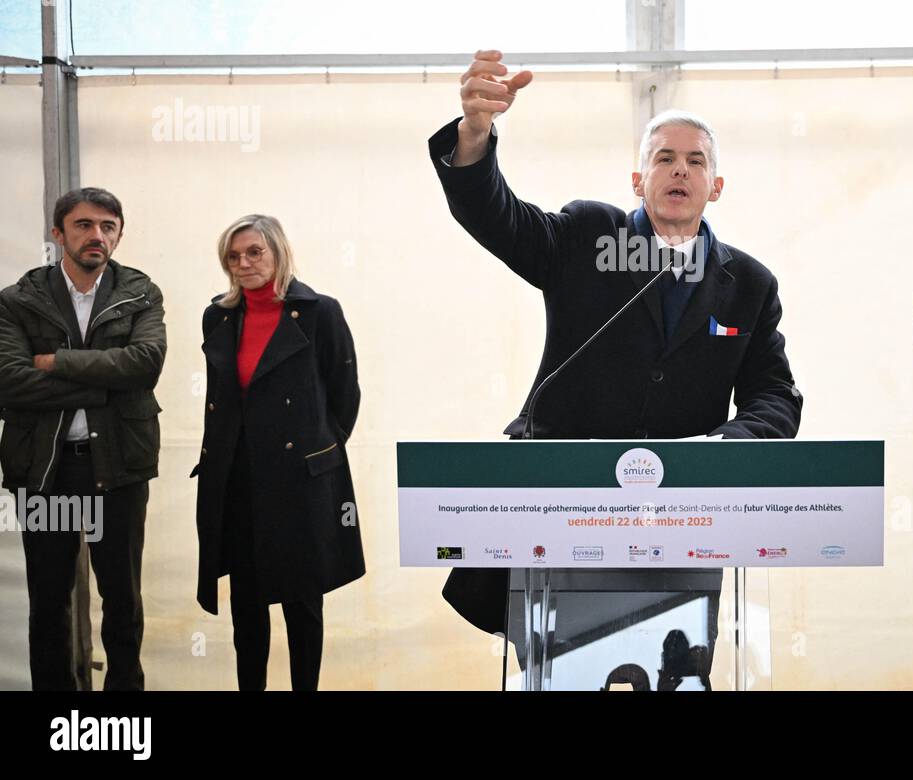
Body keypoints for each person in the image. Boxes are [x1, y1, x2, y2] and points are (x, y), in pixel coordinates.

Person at [429, 49, 802, 640]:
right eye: (664, 158)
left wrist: (728, 445)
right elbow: (499, 219)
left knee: (671, 668)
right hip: (563, 510)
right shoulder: (586, 235)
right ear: (638, 179)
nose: (680, 170)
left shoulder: (749, 284)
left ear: (716, 185)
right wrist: (475, 136)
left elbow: (774, 394)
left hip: (682, 519)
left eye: (695, 161)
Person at [0, 187, 166, 690]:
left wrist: (58, 363)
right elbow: (8, 378)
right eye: (84, 225)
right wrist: (102, 387)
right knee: (49, 601)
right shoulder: (18, 299)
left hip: (117, 466)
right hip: (45, 471)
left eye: (108, 226)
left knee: (122, 599)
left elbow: (144, 364)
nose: (97, 235)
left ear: (118, 233)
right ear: (58, 233)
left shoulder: (140, 292)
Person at [193, 214, 364, 691]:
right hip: (238, 478)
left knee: (302, 602)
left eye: (253, 252)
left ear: (278, 253)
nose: (242, 263)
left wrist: (316, 452)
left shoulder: (319, 311)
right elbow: (222, 398)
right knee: (246, 602)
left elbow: (344, 394)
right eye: (233, 256)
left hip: (299, 481)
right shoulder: (219, 315)